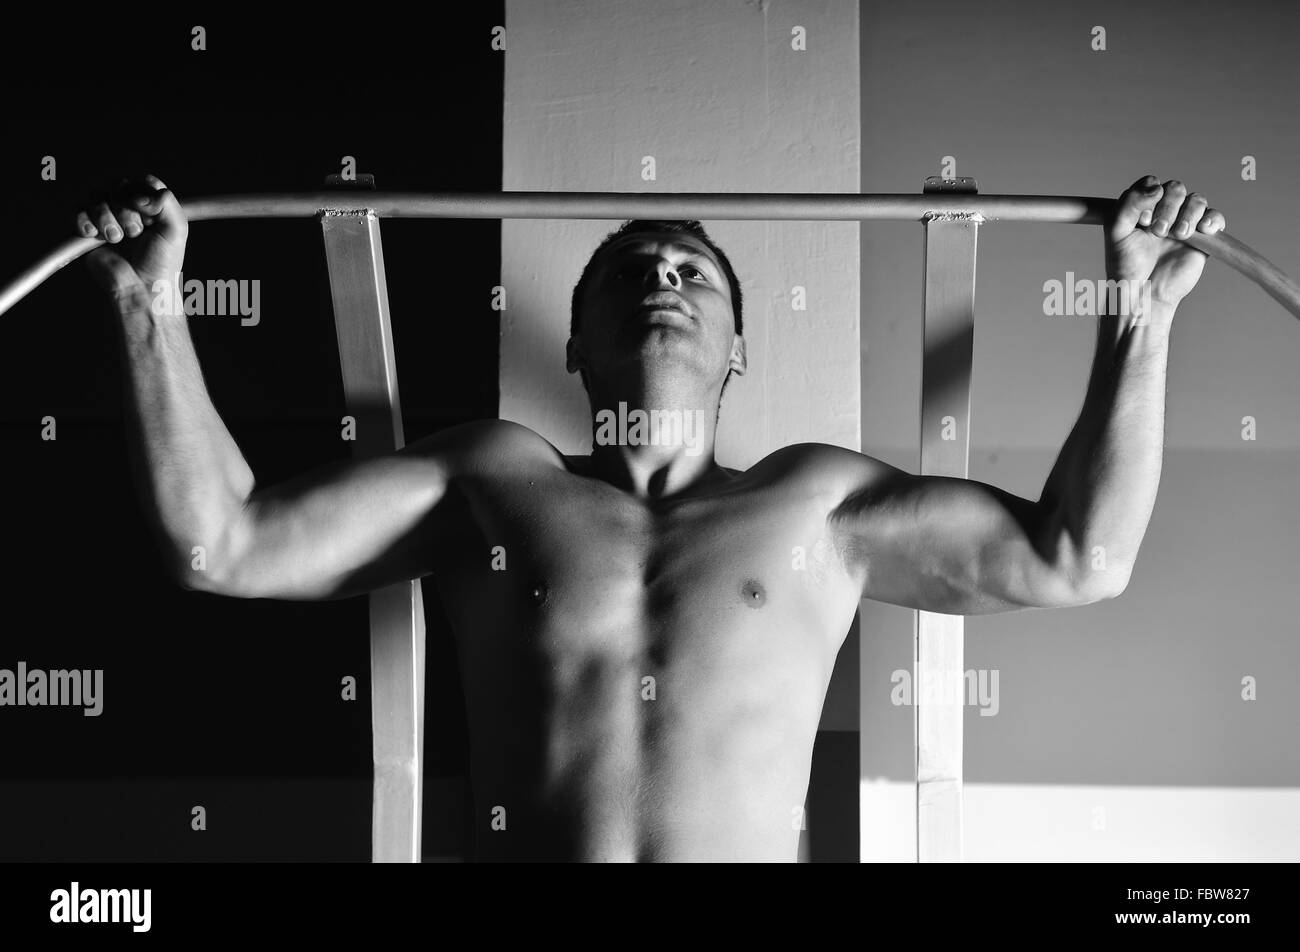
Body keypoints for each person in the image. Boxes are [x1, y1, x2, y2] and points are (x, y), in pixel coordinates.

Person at [77, 173, 1224, 861]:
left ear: (738, 350)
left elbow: (1081, 554)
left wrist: (1140, 311)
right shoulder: (494, 479)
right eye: (632, 270)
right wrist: (148, 306)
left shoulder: (815, 503)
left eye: (692, 271)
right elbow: (220, 544)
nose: (664, 277)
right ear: (578, 344)